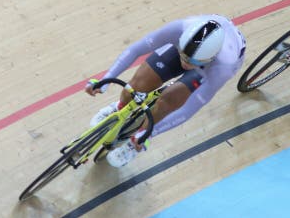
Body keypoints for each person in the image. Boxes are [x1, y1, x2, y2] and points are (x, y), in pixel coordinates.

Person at [85, 15, 246, 167]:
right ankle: (118, 108)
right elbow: (135, 50)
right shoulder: (179, 28)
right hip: (191, 51)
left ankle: (136, 140)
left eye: (192, 62)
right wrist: (105, 79)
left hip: (206, 70)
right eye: (183, 56)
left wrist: (149, 133)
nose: (185, 64)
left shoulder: (223, 67)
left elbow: (189, 109)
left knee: (168, 101)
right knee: (138, 84)